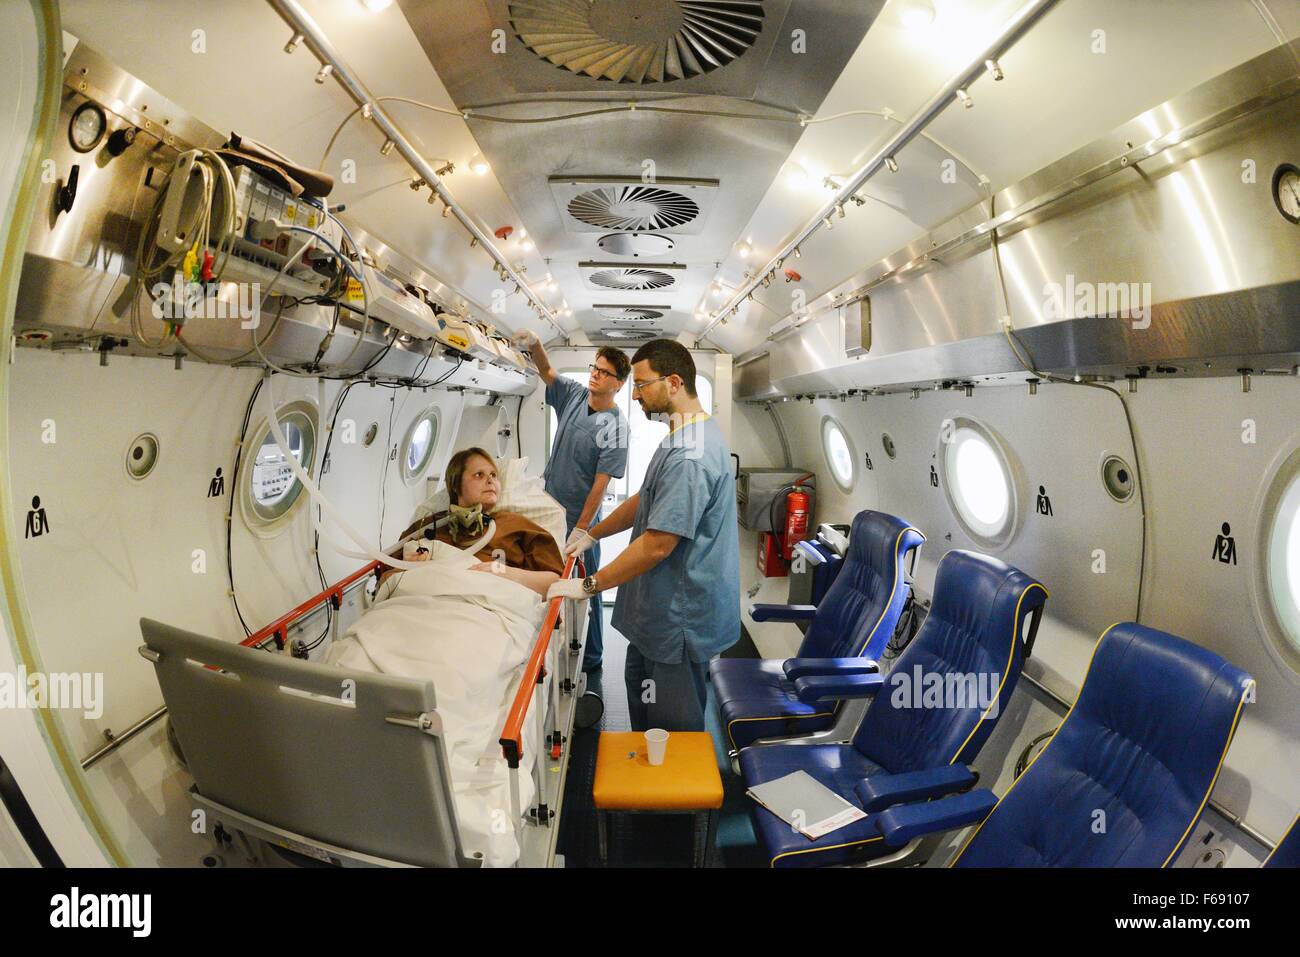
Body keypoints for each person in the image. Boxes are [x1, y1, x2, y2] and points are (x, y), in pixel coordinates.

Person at [547, 340, 740, 731]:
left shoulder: (691, 456)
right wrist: (590, 533)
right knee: (644, 707)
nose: (634, 395)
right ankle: (647, 787)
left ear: (673, 382)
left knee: (672, 732)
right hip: (656, 617)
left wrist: (589, 585)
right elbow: (644, 497)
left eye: (641, 385)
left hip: (678, 620)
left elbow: (657, 545)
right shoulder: (682, 435)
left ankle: (675, 792)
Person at [514, 330, 630, 673]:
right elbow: (547, 372)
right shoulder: (575, 396)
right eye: (594, 367)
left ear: (619, 383)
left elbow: (600, 483)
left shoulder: (616, 427)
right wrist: (535, 344)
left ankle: (592, 659)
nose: (595, 374)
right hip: (550, 508)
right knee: (546, 576)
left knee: (585, 586)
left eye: (604, 371)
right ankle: (549, 646)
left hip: (580, 521)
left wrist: (581, 530)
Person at [393, 447, 563, 597]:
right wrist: (408, 567)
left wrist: (506, 573)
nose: (490, 481)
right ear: (455, 484)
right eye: (479, 475)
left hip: (487, 612)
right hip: (423, 601)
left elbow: (555, 584)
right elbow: (385, 577)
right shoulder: (426, 526)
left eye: (494, 475)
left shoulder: (515, 524)